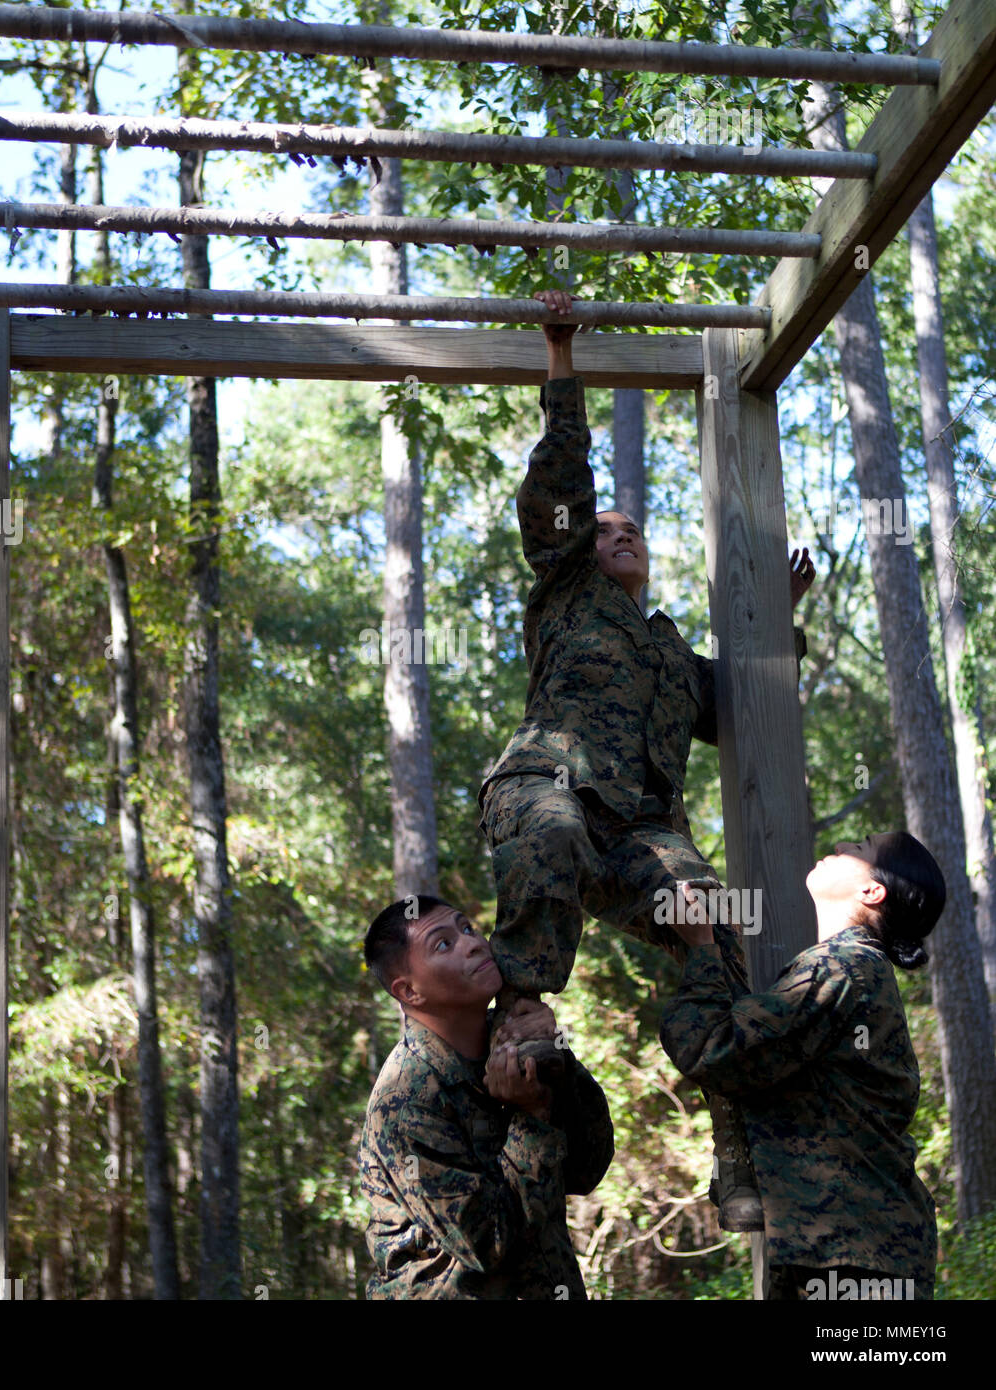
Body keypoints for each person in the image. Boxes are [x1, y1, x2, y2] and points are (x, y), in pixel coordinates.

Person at [478, 287, 815, 1228]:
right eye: (608, 529)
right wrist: (561, 362)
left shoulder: (671, 654)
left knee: (722, 918)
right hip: (546, 787)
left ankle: (738, 1154)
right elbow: (557, 500)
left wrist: (781, 621)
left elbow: (741, 708)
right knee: (544, 857)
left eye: (634, 531)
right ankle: (507, 1067)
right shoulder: (565, 590)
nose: (618, 535)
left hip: (637, 831)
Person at [660, 832, 944, 1300]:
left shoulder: (843, 968)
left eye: (862, 847)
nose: (846, 843)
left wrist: (702, 948)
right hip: (852, 1251)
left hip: (850, 1258)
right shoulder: (846, 968)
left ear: (873, 891)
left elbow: (712, 1048)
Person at [357, 895, 613, 1299]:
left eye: (467, 928)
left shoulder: (511, 1034)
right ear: (408, 991)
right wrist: (529, 1115)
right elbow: (487, 1242)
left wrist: (553, 1054)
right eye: (443, 944)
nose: (472, 943)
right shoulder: (405, 1102)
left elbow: (587, 1167)